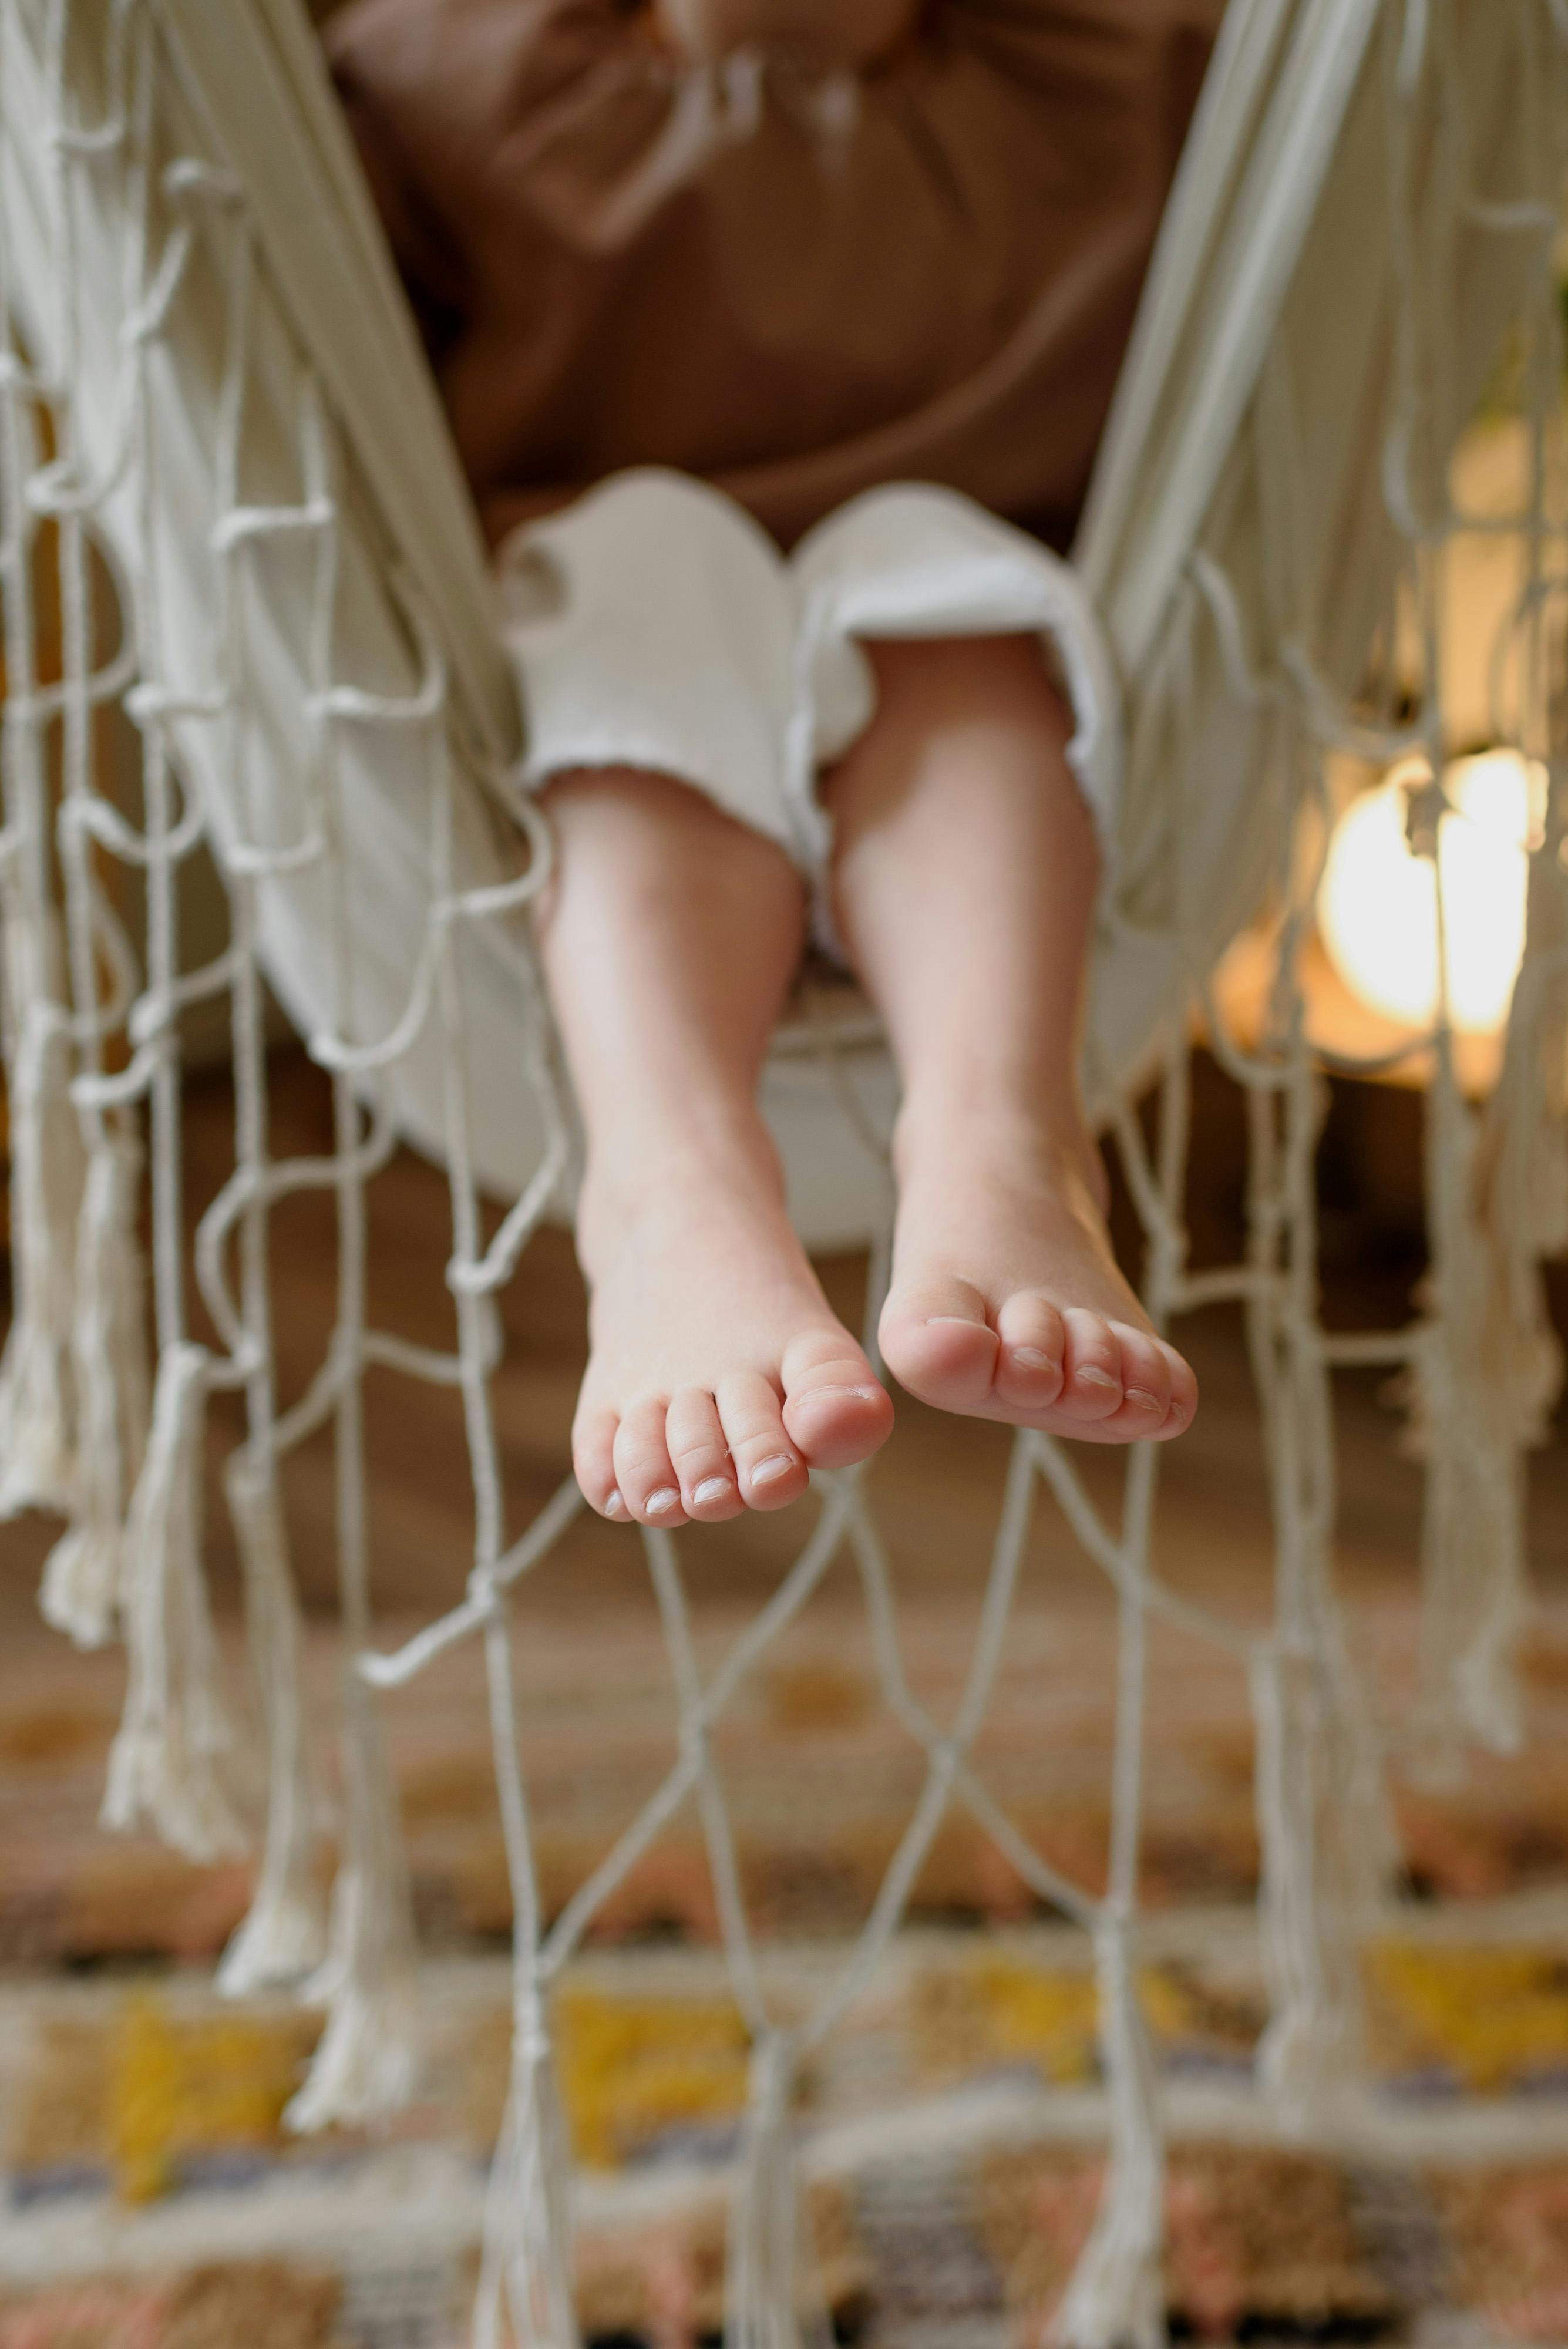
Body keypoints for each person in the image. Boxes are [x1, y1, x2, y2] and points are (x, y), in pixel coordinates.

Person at [329, 0, 1216, 1529]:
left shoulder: (1091, 61)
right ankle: (672, 1184)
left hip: (959, 565)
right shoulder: (462, 67)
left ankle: (1002, 1134)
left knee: (957, 608)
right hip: (603, 583)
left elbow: (1329, 114)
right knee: (638, 592)